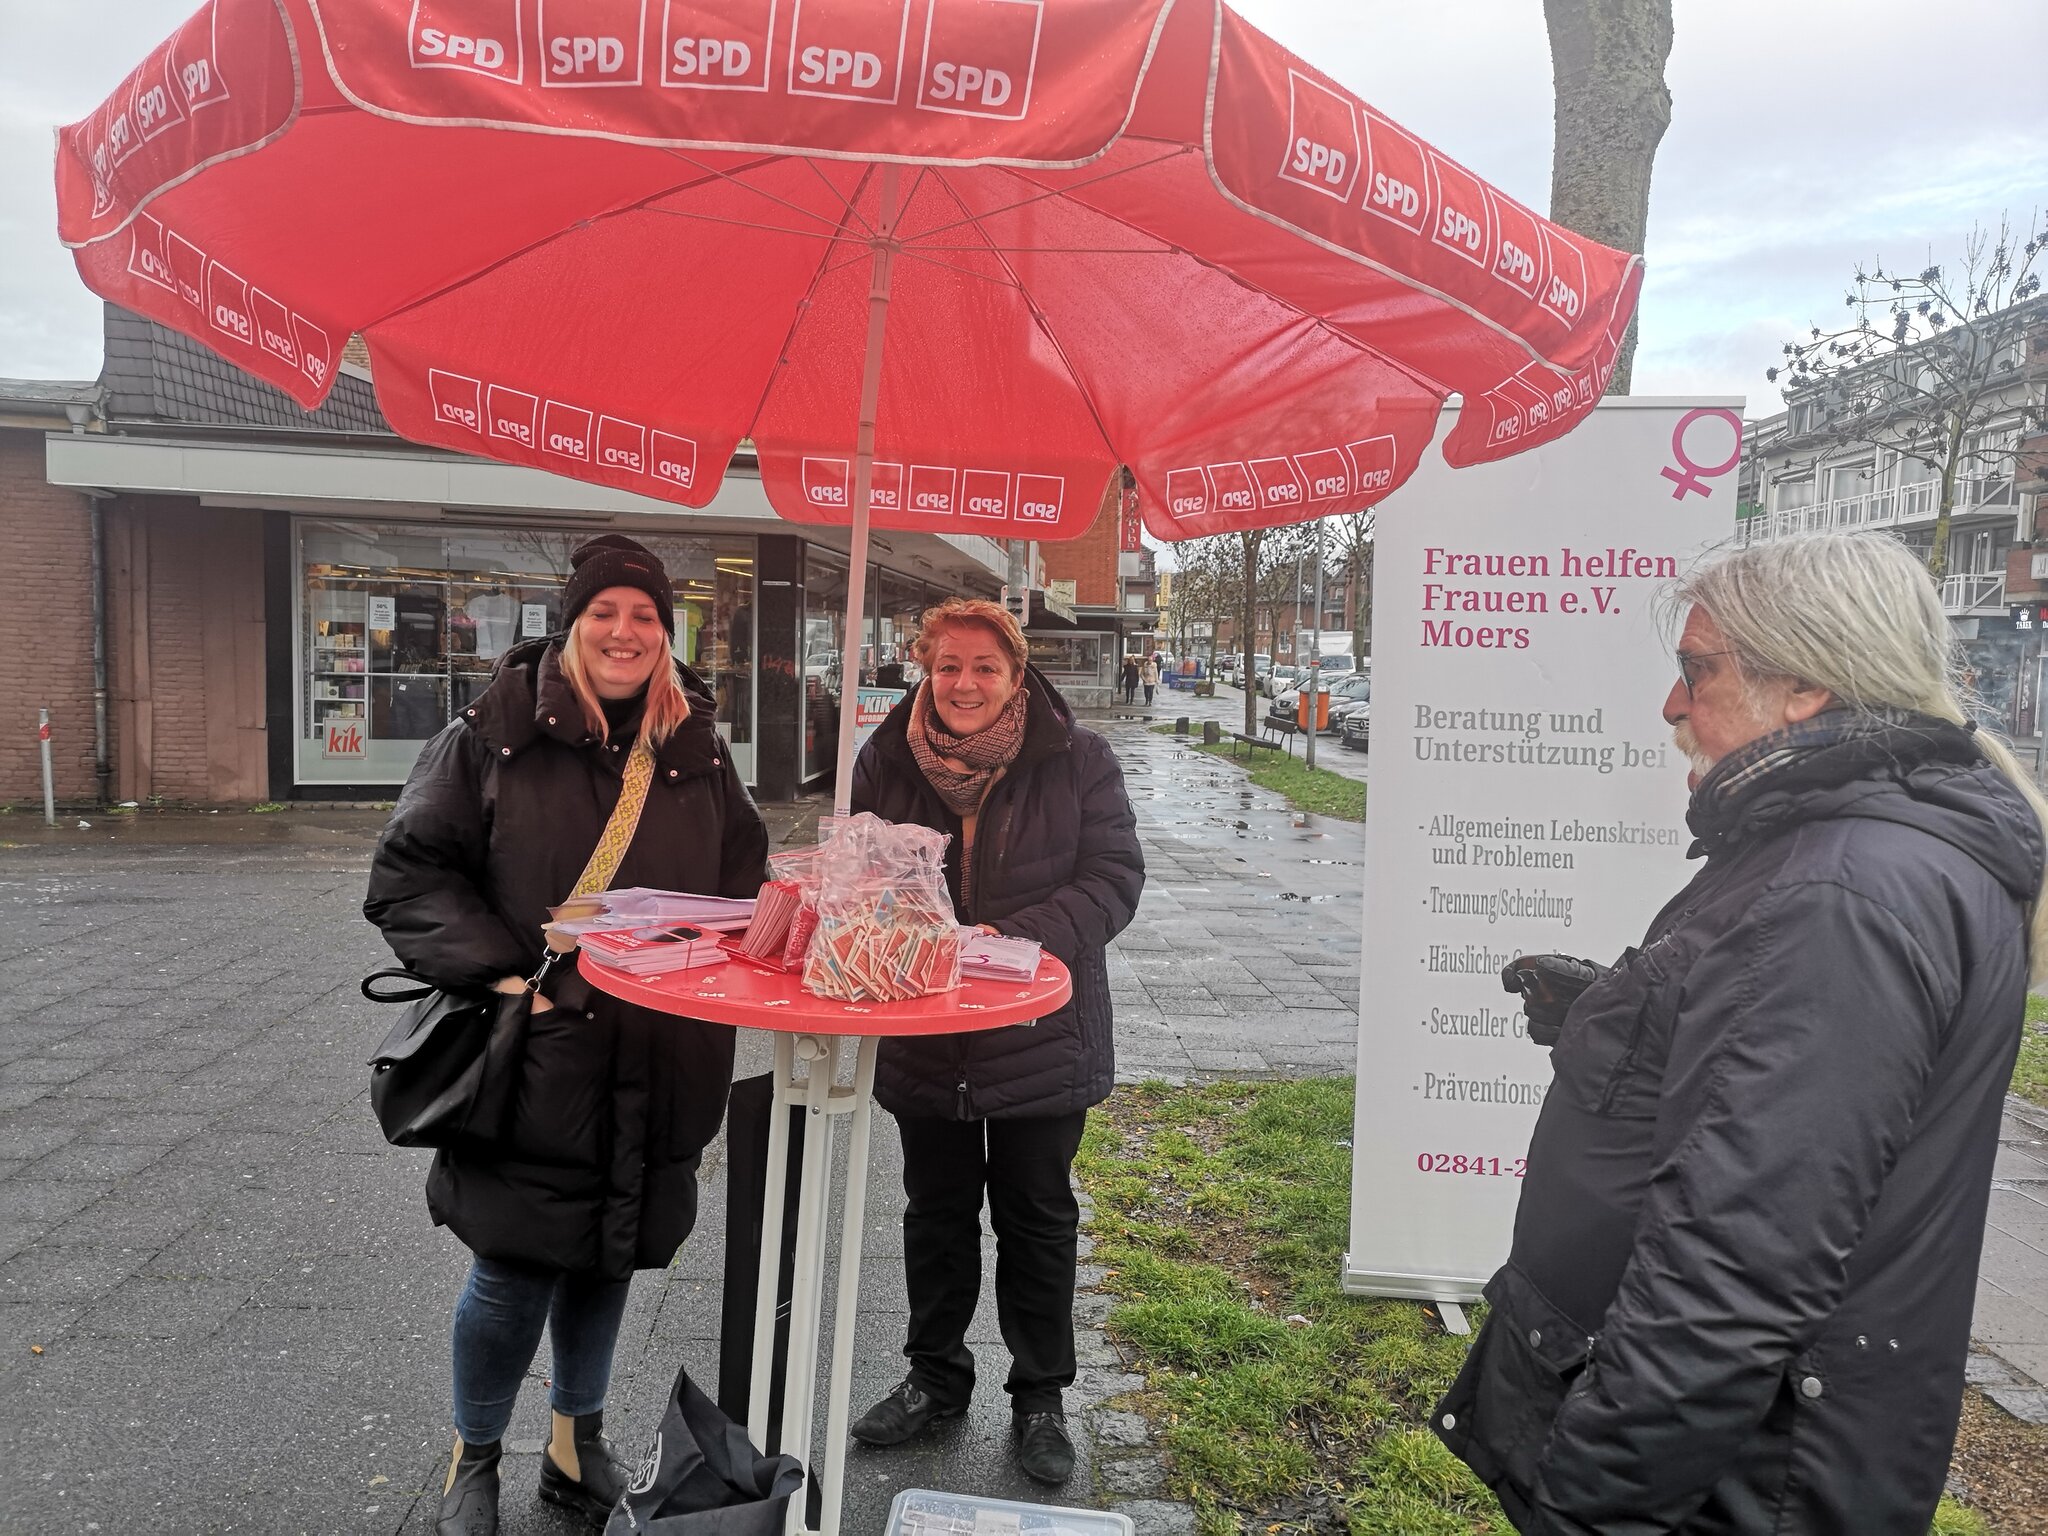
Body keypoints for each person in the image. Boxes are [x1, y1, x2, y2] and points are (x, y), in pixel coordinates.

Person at [1436, 533, 2048, 1535]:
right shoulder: (1843, 852)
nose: (1672, 707)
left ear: (1802, 682)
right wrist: (1617, 1013)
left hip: (1730, 1484)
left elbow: (1733, 1266)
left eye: (1695, 670)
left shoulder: (1835, 892)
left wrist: (1591, 1512)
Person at [364, 535, 768, 1536]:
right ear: (573, 625)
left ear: (666, 637)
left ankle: (574, 1443)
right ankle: (474, 1458)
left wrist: (802, 909)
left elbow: (743, 880)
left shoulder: (696, 750)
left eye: (645, 617)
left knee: (610, 1255)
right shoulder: (492, 734)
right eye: (606, 614)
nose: (625, 632)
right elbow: (409, 876)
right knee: (510, 1269)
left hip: (665, 1051)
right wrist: (509, 978)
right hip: (540, 1054)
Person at [845, 597, 1145, 1485]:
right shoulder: (885, 759)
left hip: (1039, 1031)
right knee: (934, 1214)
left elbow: (1114, 881)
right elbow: (862, 879)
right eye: (947, 667)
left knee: (1038, 1216)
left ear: (1017, 674)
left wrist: (1009, 939)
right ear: (922, 671)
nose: (964, 684)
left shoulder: (1077, 759)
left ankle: (1041, 1396)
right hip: (925, 1030)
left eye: (984, 667)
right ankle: (934, 1380)